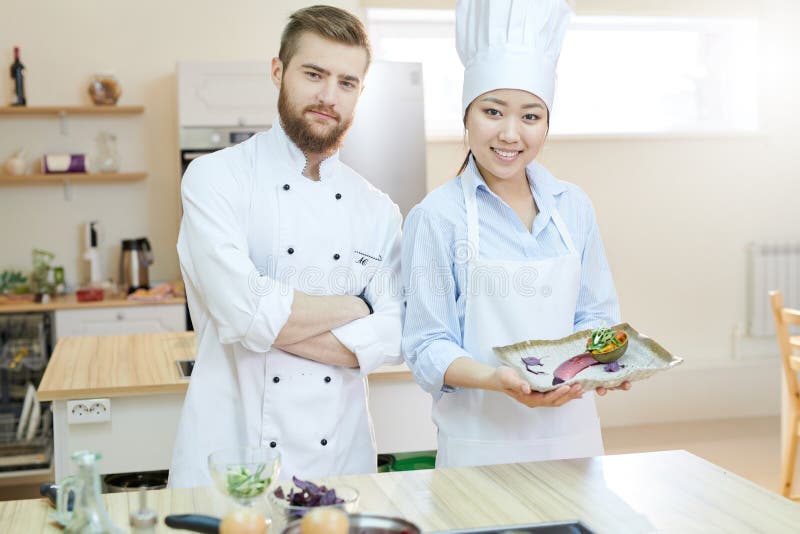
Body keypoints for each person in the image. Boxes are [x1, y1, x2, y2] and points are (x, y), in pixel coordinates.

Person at [170, 5, 403, 488]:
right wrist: (356, 307)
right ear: (278, 71)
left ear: (361, 91)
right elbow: (241, 312)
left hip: (341, 463)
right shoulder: (215, 178)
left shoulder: (378, 209)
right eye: (313, 74)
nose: (328, 96)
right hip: (230, 460)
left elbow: (395, 335)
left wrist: (265, 318)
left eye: (346, 82)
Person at [401, 0, 630, 469]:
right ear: (467, 115)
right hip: (480, 443)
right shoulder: (436, 216)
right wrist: (496, 378)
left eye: (531, 116)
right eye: (492, 111)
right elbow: (427, 346)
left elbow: (596, 314)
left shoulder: (573, 206)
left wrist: (604, 361)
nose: (510, 134)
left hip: (574, 437)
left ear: (547, 123)